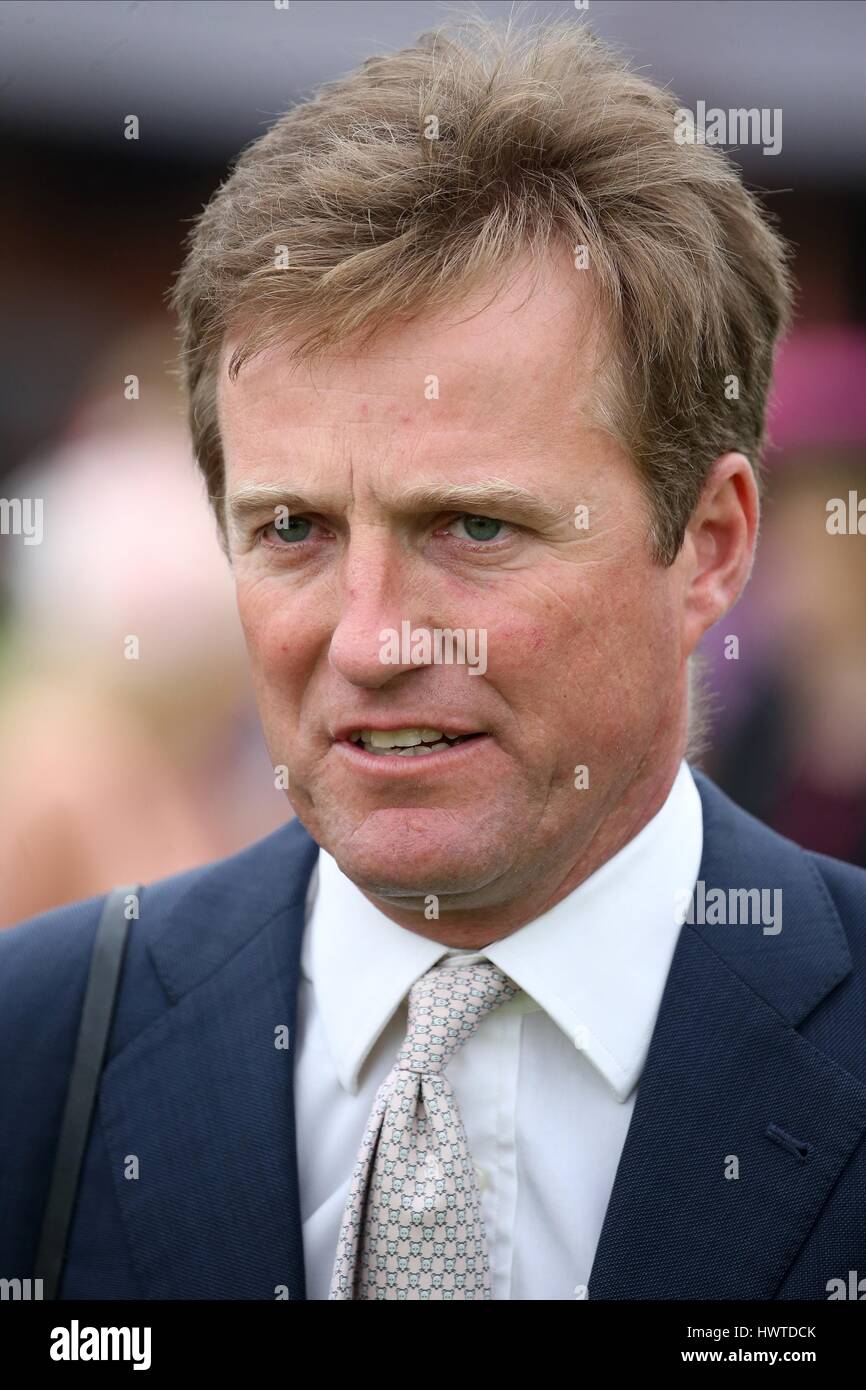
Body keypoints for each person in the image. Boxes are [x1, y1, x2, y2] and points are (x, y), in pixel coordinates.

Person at [2, 16, 865, 1302]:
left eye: (473, 526)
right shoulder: (36, 1044)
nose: (369, 639)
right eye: (291, 529)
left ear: (709, 546)